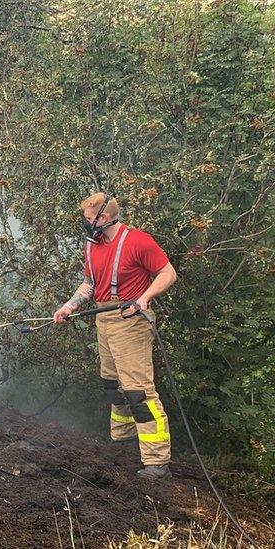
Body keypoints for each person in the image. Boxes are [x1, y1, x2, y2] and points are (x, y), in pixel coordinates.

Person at [53, 192, 178, 480]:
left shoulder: (138, 241)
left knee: (138, 391)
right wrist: (69, 306)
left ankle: (157, 462)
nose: (85, 223)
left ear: (104, 218)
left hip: (131, 322)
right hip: (103, 318)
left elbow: (168, 273)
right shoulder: (92, 245)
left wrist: (145, 297)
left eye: (87, 219)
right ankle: (122, 443)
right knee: (113, 386)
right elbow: (89, 284)